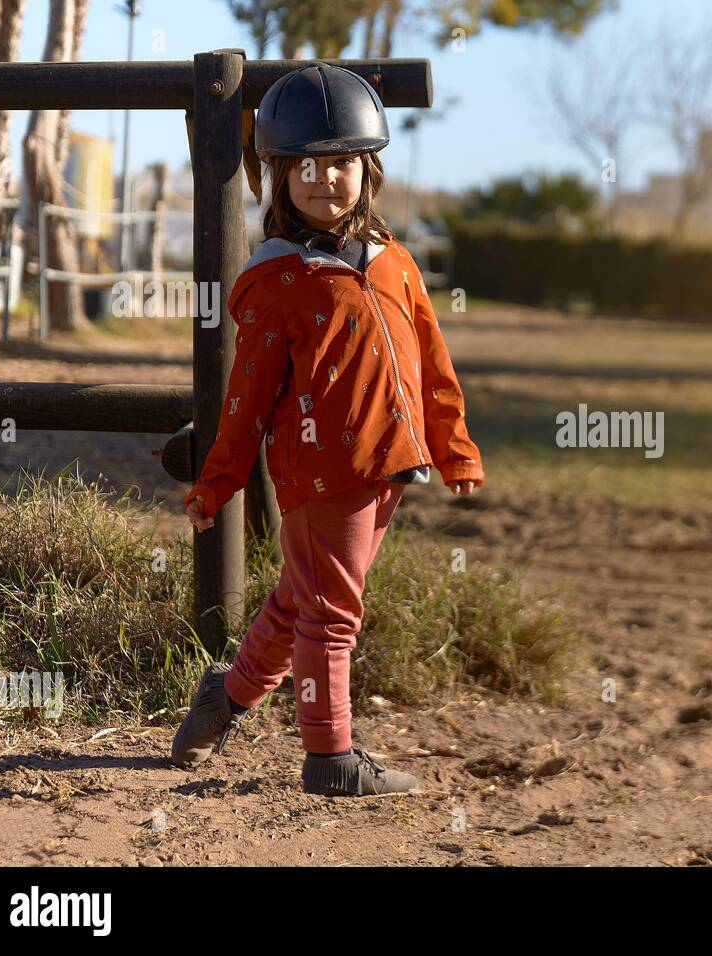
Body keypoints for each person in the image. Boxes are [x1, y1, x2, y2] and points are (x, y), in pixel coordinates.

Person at [171, 63, 485, 797]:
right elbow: (244, 399)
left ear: (367, 170)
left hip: (392, 465)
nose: (324, 179)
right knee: (333, 612)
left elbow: (432, 359)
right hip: (319, 477)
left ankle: (229, 694)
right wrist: (217, 481)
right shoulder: (274, 280)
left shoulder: (394, 263)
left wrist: (455, 446)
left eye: (341, 162)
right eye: (304, 165)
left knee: (301, 597)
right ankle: (329, 756)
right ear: (277, 177)